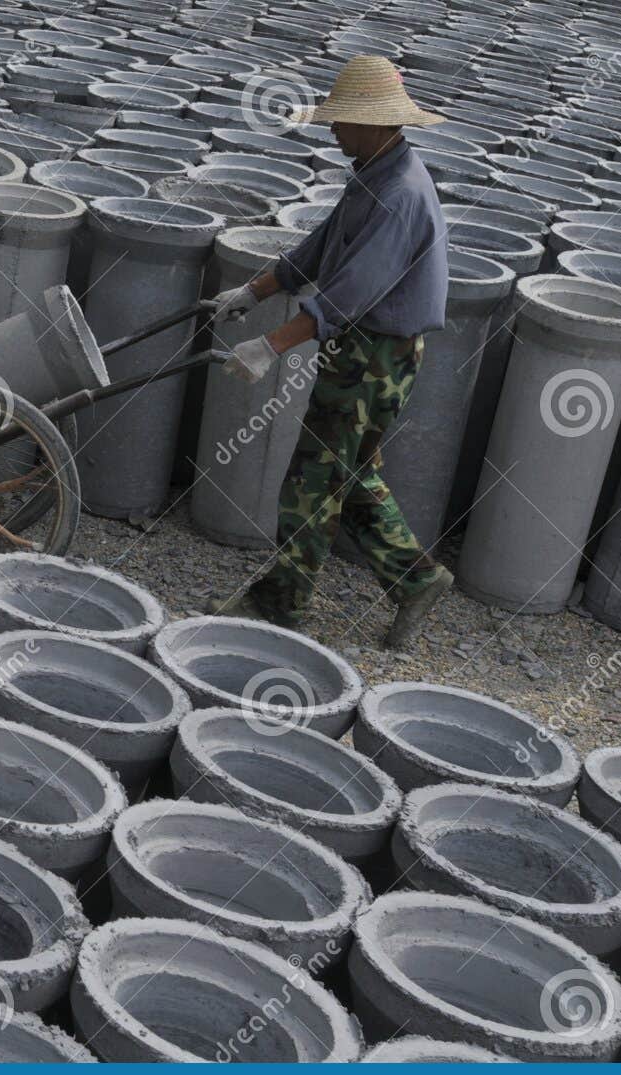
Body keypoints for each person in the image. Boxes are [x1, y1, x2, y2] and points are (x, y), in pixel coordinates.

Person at [207, 55, 455, 649]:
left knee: (312, 480)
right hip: (367, 349)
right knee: (351, 472)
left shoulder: (399, 194)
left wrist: (269, 347)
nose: (332, 128)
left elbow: (348, 294)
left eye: (341, 120)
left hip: (377, 357)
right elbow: (319, 251)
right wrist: (254, 291)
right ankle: (417, 579)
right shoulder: (372, 170)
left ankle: (280, 604)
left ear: (376, 122)